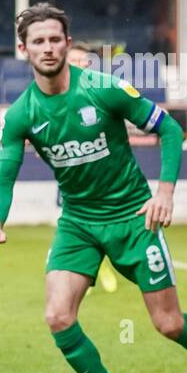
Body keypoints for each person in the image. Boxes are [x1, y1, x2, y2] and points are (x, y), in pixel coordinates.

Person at [0, 3, 187, 373]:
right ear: (23, 48)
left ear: (66, 42)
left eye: (55, 39)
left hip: (135, 219)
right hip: (78, 223)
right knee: (58, 316)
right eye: (38, 41)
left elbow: (169, 129)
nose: (48, 48)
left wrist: (164, 193)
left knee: (169, 325)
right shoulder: (22, 114)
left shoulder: (104, 89)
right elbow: (5, 174)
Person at [67, 40, 119, 294]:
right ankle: (87, 270)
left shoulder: (103, 92)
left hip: (106, 174)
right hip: (73, 175)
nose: (81, 66)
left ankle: (103, 264)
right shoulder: (56, 98)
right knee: (76, 225)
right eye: (74, 61)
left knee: (107, 225)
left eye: (84, 62)